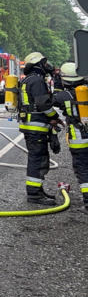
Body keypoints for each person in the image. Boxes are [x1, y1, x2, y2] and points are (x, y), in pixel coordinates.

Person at [19, 52, 62, 205]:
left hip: (31, 126)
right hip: (36, 127)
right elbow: (43, 104)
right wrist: (54, 117)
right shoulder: (37, 81)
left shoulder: (28, 80)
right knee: (37, 159)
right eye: (44, 63)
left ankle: (37, 190)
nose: (46, 66)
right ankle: (34, 194)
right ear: (38, 65)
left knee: (39, 158)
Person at [51, 62, 88, 212]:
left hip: (79, 138)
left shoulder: (63, 95)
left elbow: (48, 102)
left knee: (83, 169)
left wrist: (58, 85)